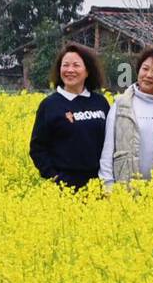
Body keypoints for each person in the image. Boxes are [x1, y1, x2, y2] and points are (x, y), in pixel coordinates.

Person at [29, 43, 109, 188]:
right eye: (65, 65)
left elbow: (110, 143)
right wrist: (55, 177)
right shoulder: (50, 105)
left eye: (76, 65)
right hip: (65, 188)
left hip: (100, 184)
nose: (70, 70)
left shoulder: (100, 103)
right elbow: (38, 148)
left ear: (88, 71)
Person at [99, 46, 153, 188]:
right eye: (145, 69)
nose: (148, 75)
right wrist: (107, 184)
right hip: (125, 188)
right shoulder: (121, 104)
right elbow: (108, 149)